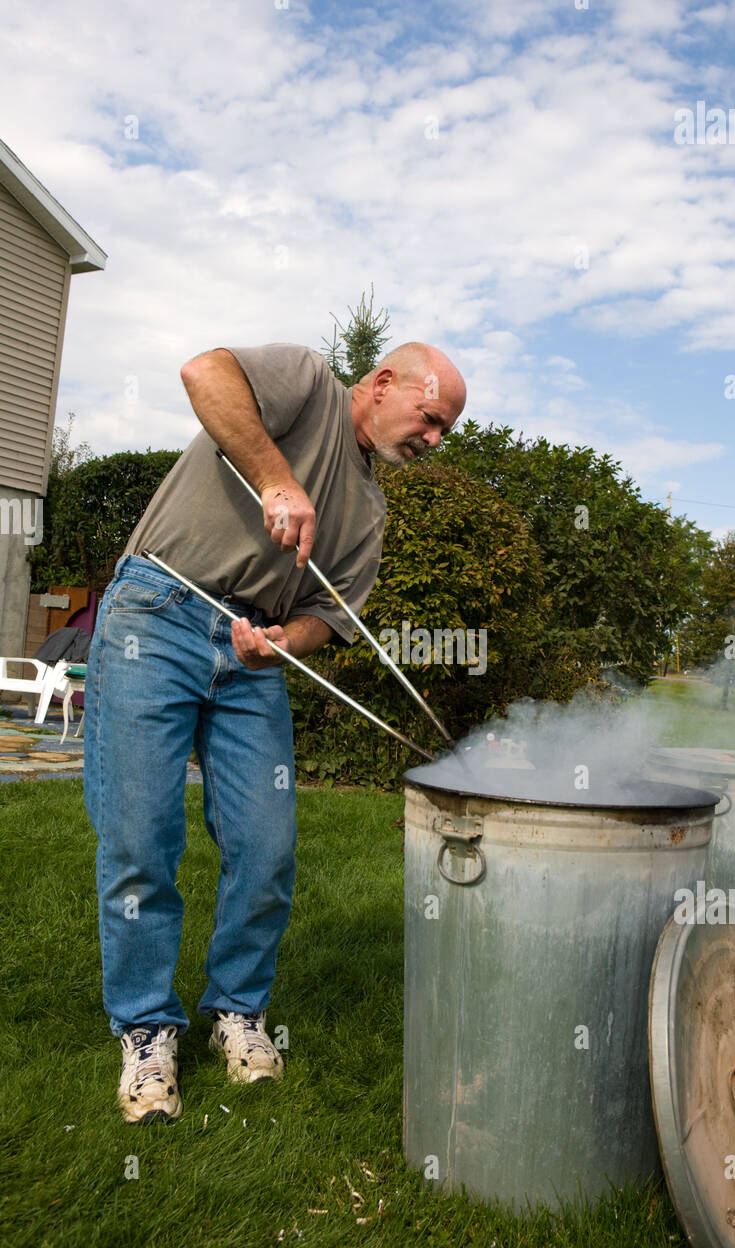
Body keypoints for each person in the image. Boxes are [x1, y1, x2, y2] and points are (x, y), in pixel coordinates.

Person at [83, 340, 467, 1123]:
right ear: (384, 383)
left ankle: (238, 1011)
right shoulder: (306, 382)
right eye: (431, 418)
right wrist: (277, 478)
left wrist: (285, 642)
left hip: (250, 651)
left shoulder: (371, 512)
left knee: (267, 845)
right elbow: (204, 374)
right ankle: (147, 1031)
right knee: (138, 836)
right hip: (155, 612)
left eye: (445, 432)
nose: (433, 439)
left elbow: (330, 616)